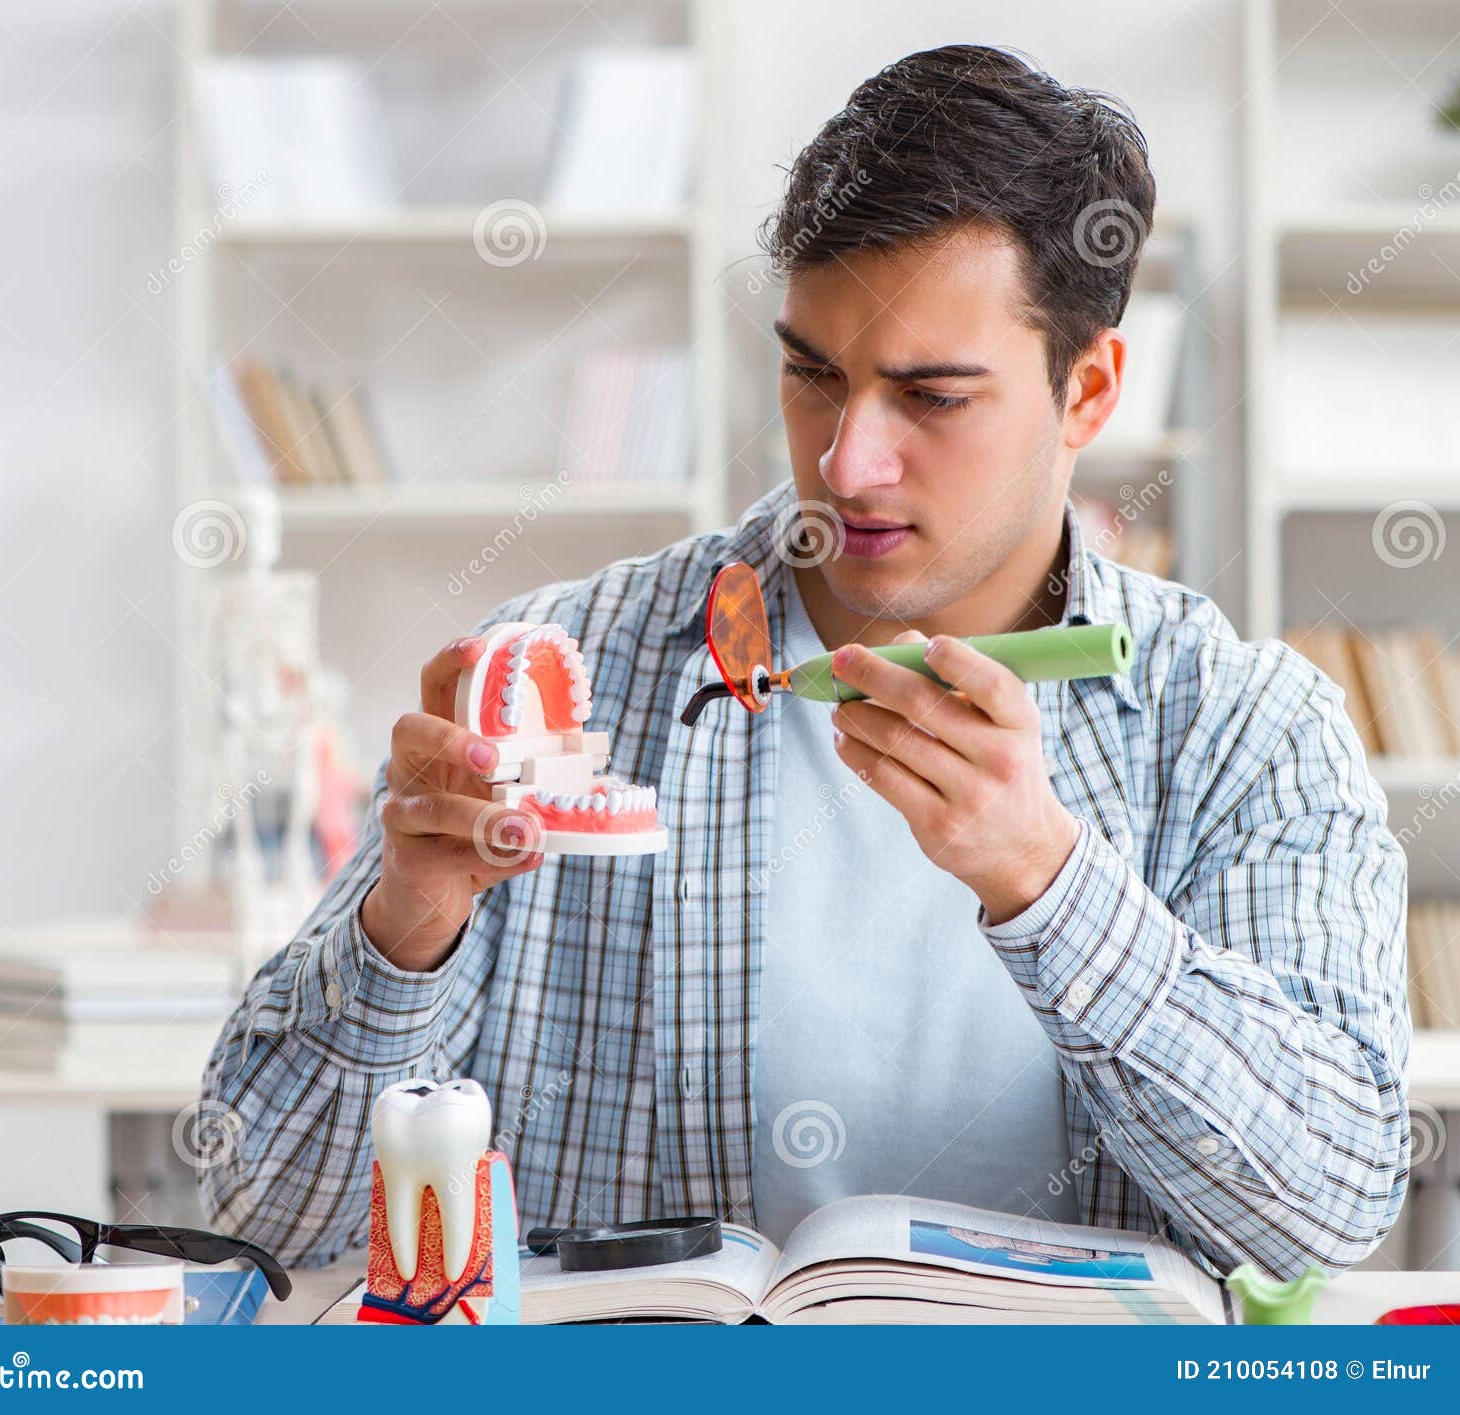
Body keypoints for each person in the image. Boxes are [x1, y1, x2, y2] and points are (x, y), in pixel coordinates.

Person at [198, 45, 1409, 1280]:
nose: (846, 463)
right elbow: (264, 1213)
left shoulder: (1243, 725)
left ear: (1088, 389)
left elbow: (1322, 1206)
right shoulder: (562, 679)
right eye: (811, 374)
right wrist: (407, 936)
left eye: (931, 396)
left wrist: (1049, 884)